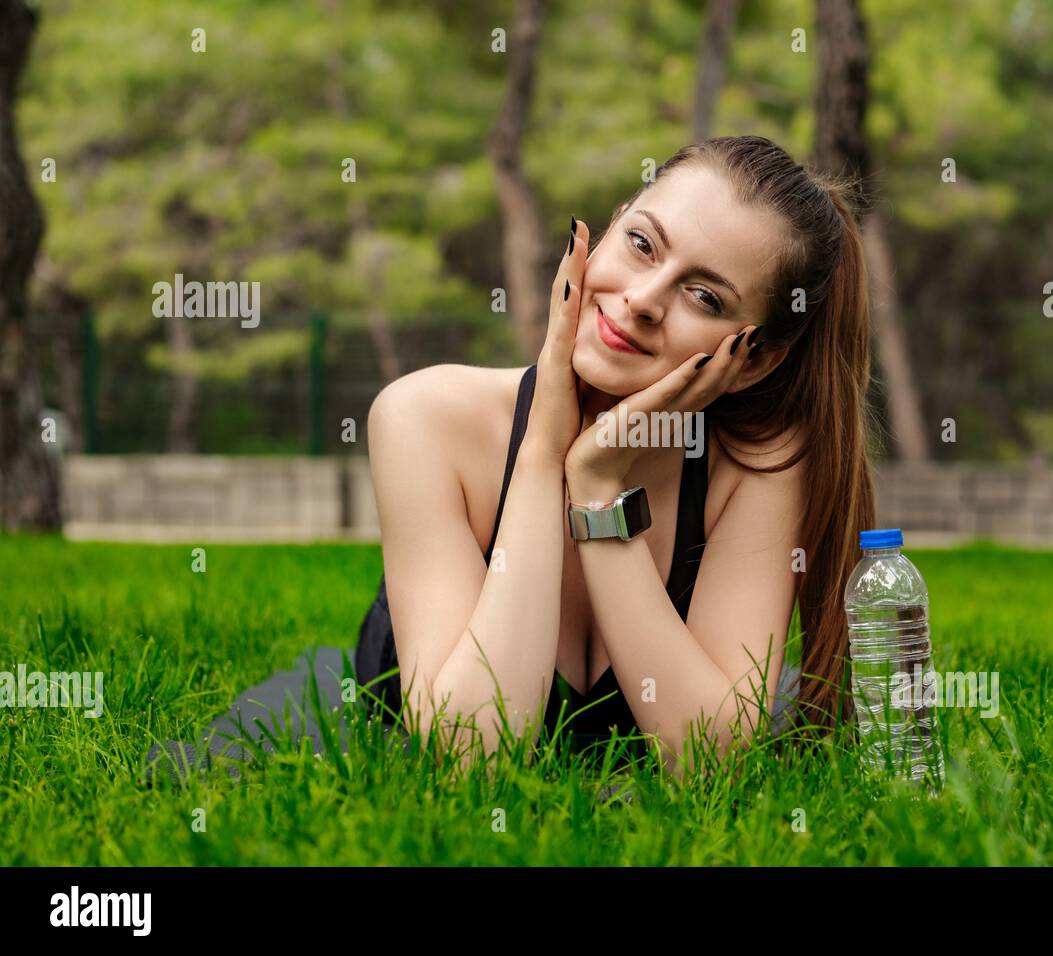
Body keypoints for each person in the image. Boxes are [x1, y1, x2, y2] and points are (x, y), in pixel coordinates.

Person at [360, 135, 877, 776]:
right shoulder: (424, 416)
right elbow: (471, 758)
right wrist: (542, 457)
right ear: (604, 233)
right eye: (641, 244)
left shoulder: (757, 466)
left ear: (754, 363)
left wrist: (598, 487)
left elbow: (710, 763)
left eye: (705, 297)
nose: (641, 300)